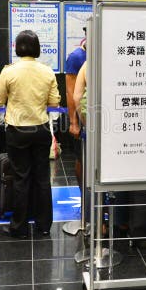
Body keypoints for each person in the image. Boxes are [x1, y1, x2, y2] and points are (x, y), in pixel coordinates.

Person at [0, 30, 60, 238]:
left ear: (17, 48)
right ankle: (43, 226)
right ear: (37, 48)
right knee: (42, 178)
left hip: (16, 130)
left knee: (21, 178)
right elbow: (54, 102)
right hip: (40, 129)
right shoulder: (47, 71)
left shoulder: (9, 71)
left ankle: (19, 227)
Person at [65, 33, 87, 188]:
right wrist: (74, 122)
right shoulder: (77, 57)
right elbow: (71, 92)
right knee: (82, 158)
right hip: (82, 116)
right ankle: (84, 197)